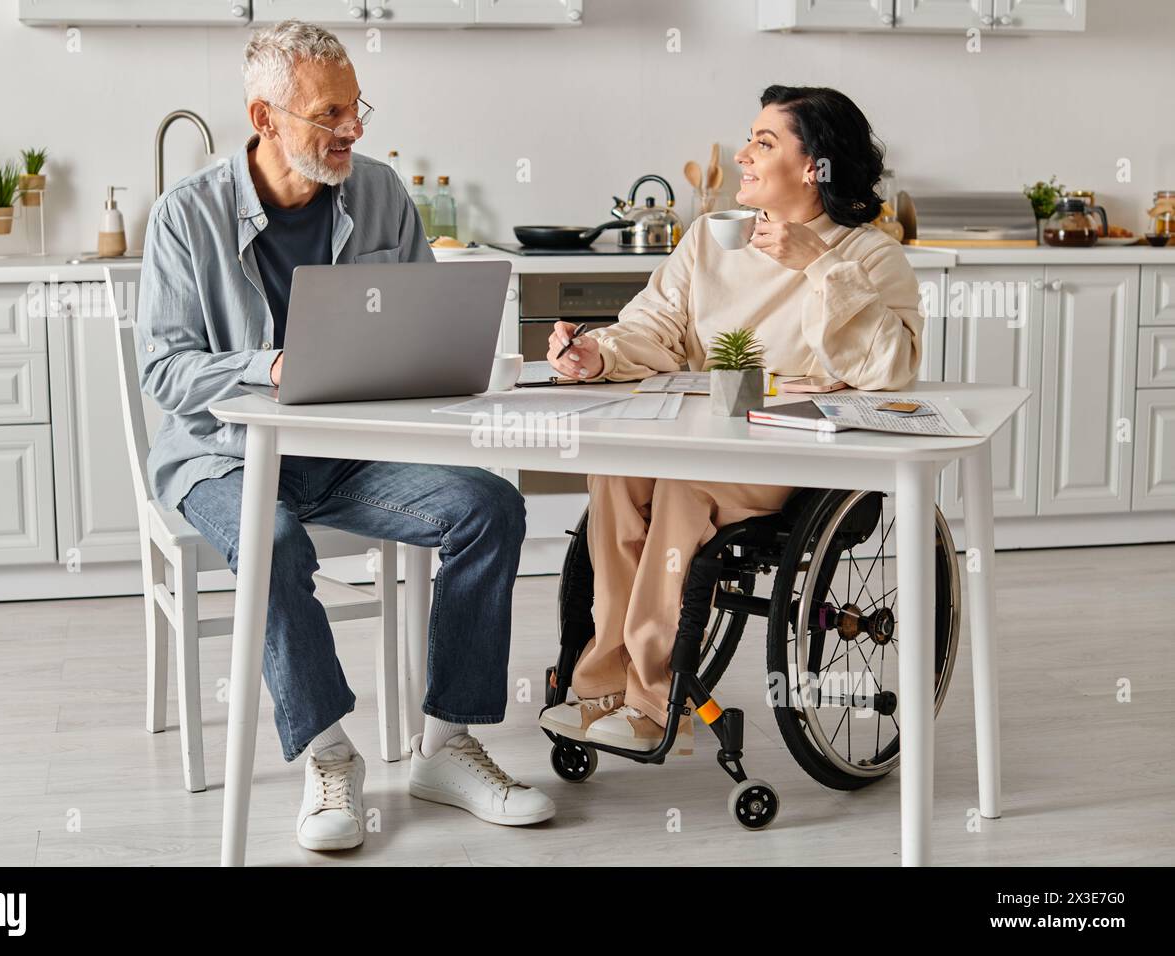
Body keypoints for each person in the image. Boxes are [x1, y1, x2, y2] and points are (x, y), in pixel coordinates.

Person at [136, 19, 553, 853]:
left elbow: (423, 334)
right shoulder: (185, 218)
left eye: (356, 108)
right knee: (274, 539)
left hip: (350, 456)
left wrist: (473, 365)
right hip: (221, 459)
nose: (353, 131)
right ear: (264, 117)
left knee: (492, 507)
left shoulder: (382, 195)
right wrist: (271, 367)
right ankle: (329, 757)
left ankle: (447, 746)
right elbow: (166, 374)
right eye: (330, 115)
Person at [537, 85, 922, 754]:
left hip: (791, 459)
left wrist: (818, 264)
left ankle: (657, 701)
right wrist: (596, 354)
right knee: (617, 475)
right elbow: (655, 325)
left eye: (764, 143)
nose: (743, 154)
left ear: (814, 166)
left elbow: (891, 371)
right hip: (700, 436)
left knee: (685, 490)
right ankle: (601, 682)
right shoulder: (713, 241)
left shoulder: (868, 257)